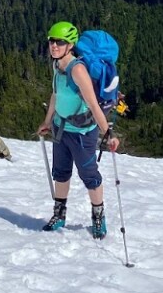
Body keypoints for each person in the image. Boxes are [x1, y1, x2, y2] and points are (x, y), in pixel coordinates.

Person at [36, 20, 119, 238]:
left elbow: (92, 103)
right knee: (61, 173)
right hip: (61, 128)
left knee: (89, 175)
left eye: (60, 42)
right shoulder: (57, 65)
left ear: (70, 44)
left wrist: (107, 133)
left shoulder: (77, 69)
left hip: (82, 133)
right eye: (52, 41)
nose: (54, 45)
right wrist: (47, 121)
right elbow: (55, 94)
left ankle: (98, 216)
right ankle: (59, 214)